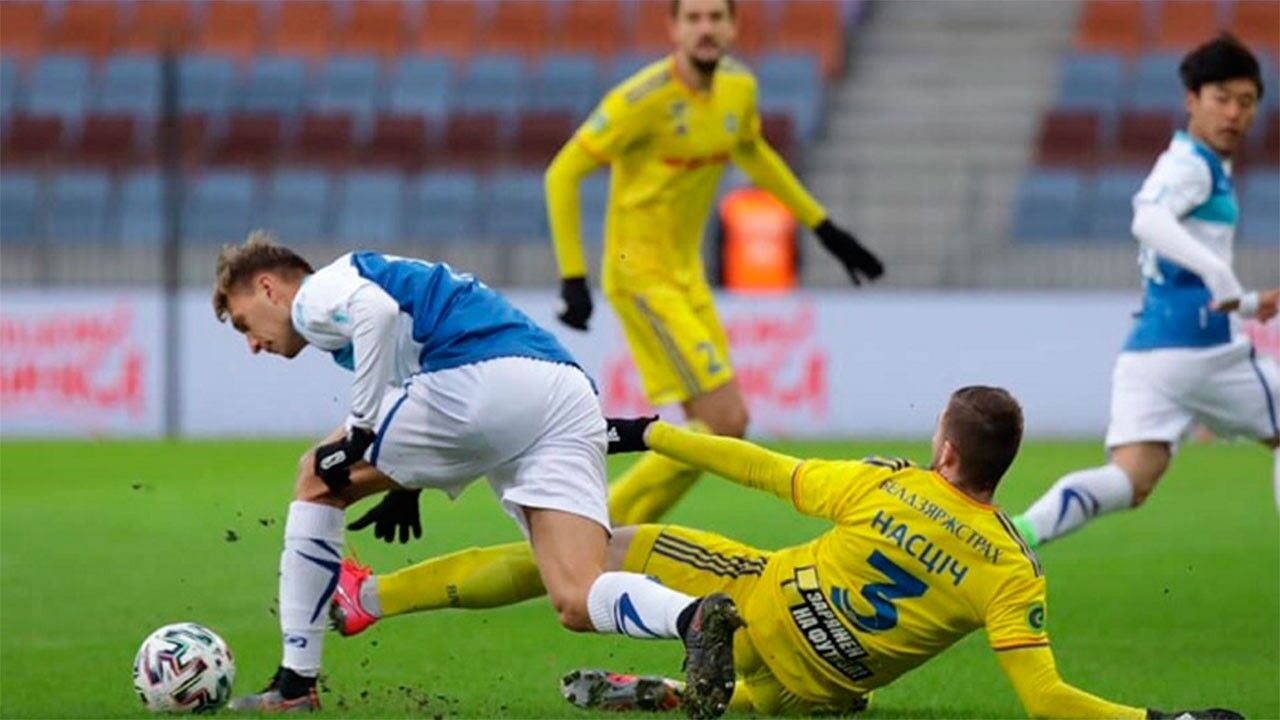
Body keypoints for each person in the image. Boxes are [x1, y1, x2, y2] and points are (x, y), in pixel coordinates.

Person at [331, 387, 1242, 719]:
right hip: (814, 689)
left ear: (948, 452)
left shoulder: (887, 484)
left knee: (589, 553)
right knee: (825, 698)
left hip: (759, 601)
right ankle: (678, 692)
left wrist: (650, 433)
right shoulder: (1012, 567)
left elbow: (758, 466)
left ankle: (370, 598)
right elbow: (1046, 703)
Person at [211, 233, 743, 719]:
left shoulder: (315, 296)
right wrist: (405, 482)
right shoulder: (373, 278)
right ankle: (693, 619)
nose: (252, 343)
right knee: (578, 595)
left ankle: (295, 684)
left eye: (242, 323)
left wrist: (364, 431)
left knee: (315, 477)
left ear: (268, 288)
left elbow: (375, 313)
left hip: (483, 380)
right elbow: (404, 346)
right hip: (562, 392)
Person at [544, 0, 884, 528]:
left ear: (733, 26)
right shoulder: (641, 99)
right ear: (674, 28)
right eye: (694, 18)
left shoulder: (738, 91)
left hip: (688, 276)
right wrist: (572, 276)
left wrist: (824, 228)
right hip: (640, 276)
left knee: (721, 425)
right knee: (725, 419)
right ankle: (592, 524)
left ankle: (607, 536)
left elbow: (754, 154)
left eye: (715, 17)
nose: (705, 28)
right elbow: (562, 173)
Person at [1012, 34, 1279, 549]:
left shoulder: (1195, 164)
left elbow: (1178, 266)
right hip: (1201, 349)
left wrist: (1246, 301)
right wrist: (1224, 281)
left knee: (1129, 480)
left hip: (1150, 350)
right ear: (1192, 100)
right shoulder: (1191, 166)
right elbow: (1148, 219)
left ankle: (1016, 533)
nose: (1234, 113)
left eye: (1246, 103)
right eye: (1221, 98)